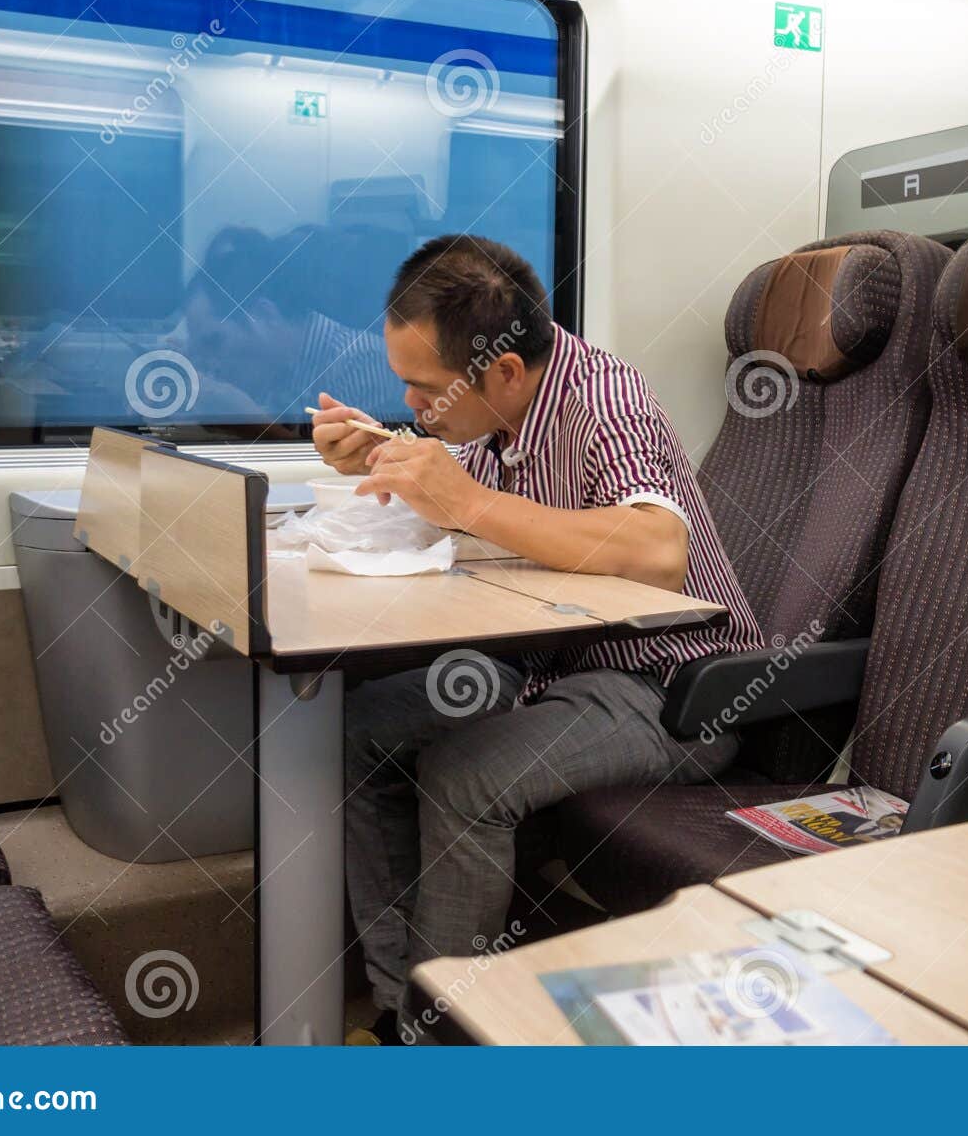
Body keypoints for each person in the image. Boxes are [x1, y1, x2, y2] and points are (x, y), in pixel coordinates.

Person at [311, 234, 761, 1042]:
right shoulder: (496, 417)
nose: (412, 403)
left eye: (425, 389)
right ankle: (399, 1004)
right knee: (358, 728)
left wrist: (464, 499)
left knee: (464, 773)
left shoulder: (606, 400)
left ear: (506, 372)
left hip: (677, 688)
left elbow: (659, 549)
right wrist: (383, 458)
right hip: (557, 665)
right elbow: (477, 500)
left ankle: (442, 1040)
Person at [181, 225, 407, 421]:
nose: (212, 367)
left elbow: (372, 456)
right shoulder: (276, 365)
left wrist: (247, 417)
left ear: (264, 314)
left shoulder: (360, 363)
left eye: (214, 342)